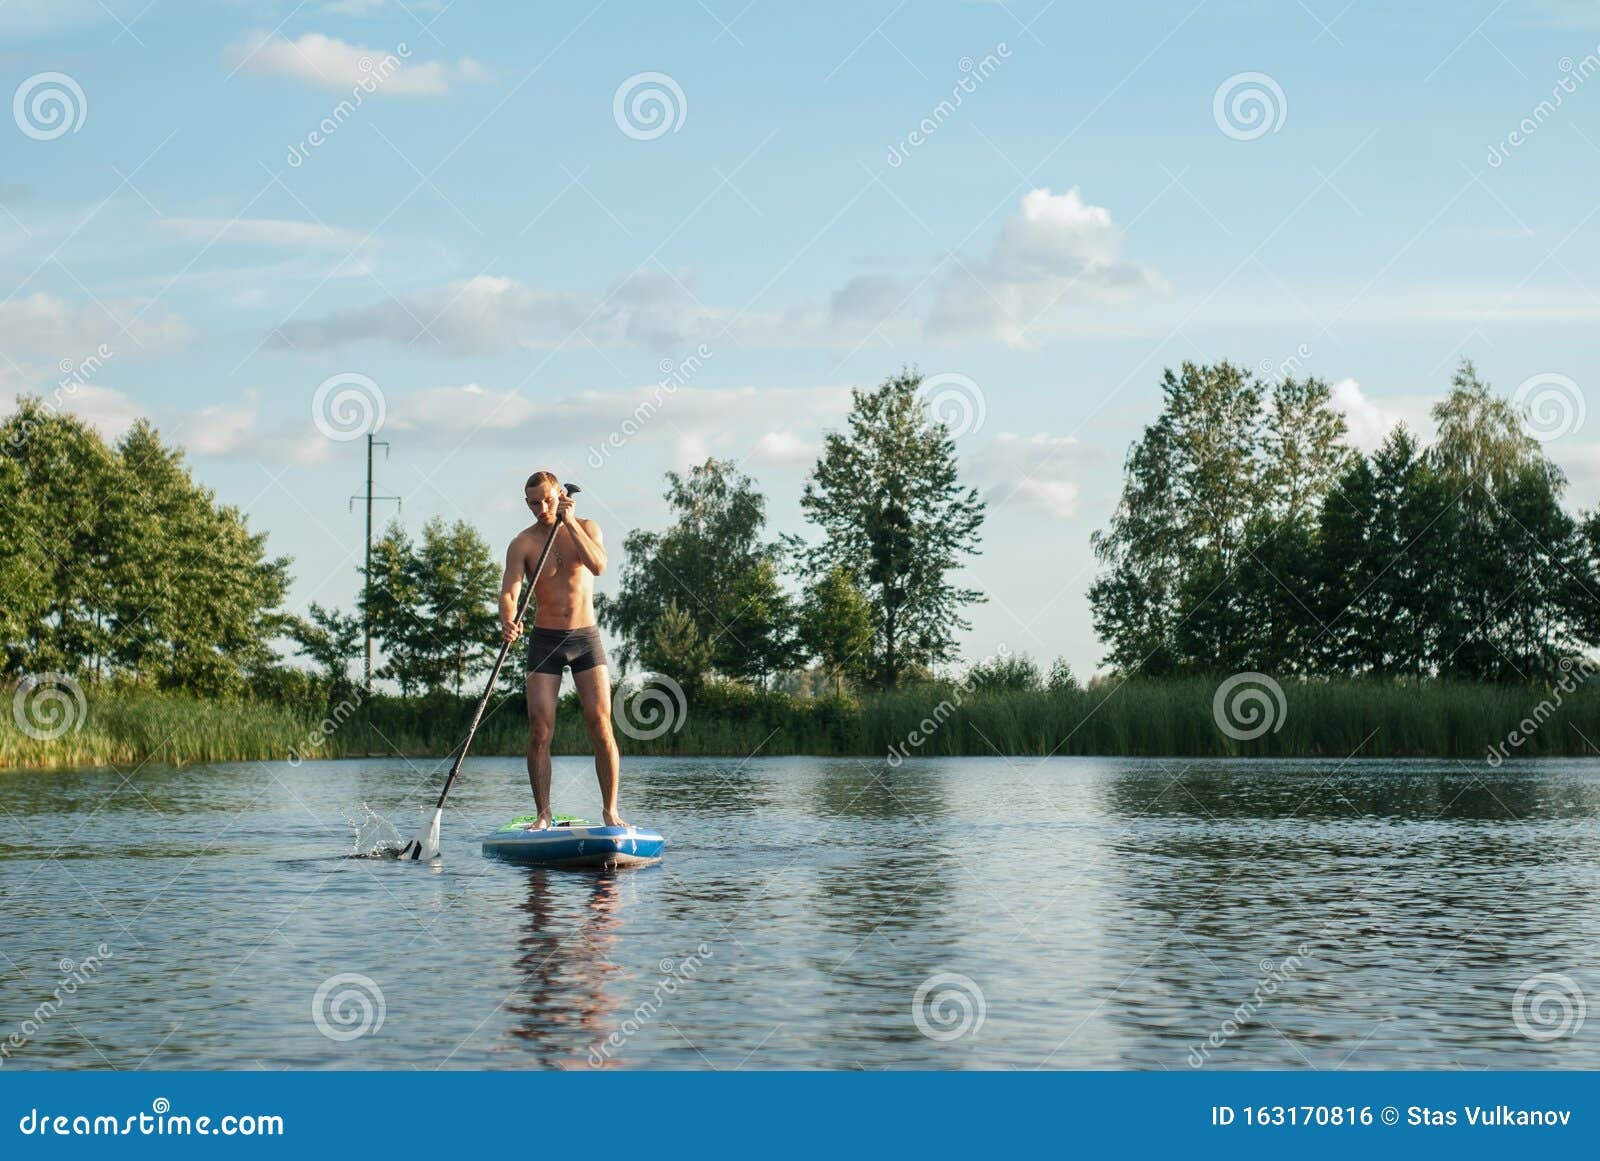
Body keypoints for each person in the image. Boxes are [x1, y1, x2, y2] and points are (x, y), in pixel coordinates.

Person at [499, 471, 626, 829]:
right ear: (527, 504)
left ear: (561, 496)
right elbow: (509, 593)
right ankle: (543, 815)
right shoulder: (522, 544)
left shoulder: (587, 526)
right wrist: (508, 620)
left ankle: (610, 811)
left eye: (548, 500)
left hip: (586, 639)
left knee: (601, 726)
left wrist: (570, 523)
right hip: (545, 641)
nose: (542, 508)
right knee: (540, 730)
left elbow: (599, 565)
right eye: (535, 503)